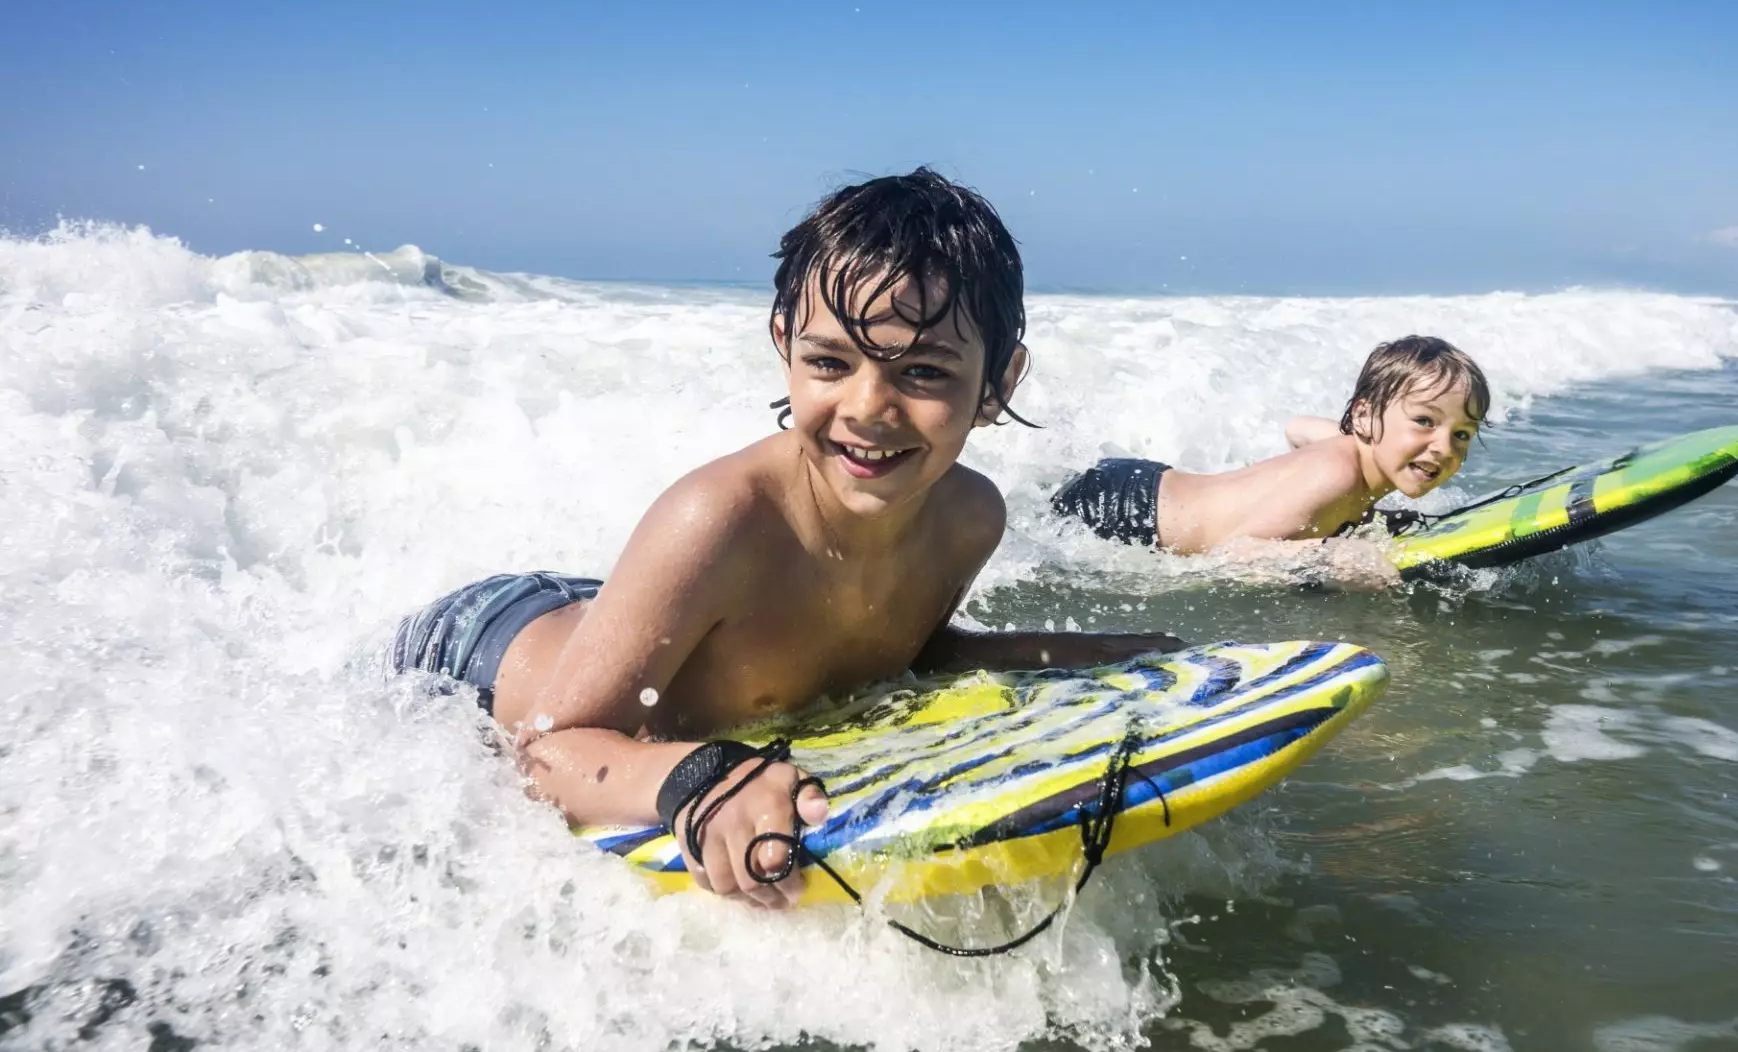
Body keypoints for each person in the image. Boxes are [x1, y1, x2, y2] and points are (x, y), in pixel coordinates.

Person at [390, 168, 1180, 910]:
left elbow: (888, 653)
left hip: (634, 620)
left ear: (1000, 383)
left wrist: (1062, 655)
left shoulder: (970, 517)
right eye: (830, 362)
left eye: (925, 373)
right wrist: (696, 780)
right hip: (477, 651)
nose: (868, 408)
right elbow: (542, 754)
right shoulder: (719, 517)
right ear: (783, 345)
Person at [1050, 336, 1490, 588]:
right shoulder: (1335, 474)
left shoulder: (1356, 451)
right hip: (1125, 511)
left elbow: (1298, 427)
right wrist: (1335, 554)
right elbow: (1235, 554)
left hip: (1145, 478)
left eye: (1462, 434)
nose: (1443, 446)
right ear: (1364, 414)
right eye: (1423, 421)